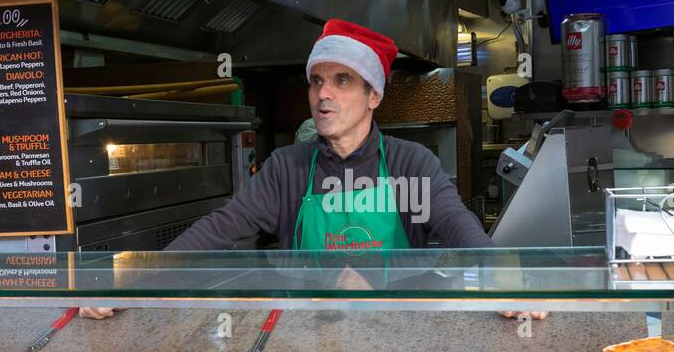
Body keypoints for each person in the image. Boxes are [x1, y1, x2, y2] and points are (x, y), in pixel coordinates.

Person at [166, 18, 493, 252]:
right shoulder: (286, 168)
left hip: (395, 329)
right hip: (308, 335)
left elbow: (454, 221)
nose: (324, 93)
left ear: (374, 96)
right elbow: (223, 226)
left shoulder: (410, 163)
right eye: (317, 81)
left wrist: (499, 279)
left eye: (343, 80)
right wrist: (140, 280)